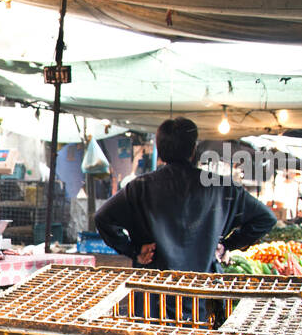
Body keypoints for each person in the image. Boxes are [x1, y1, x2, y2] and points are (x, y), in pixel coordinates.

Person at [94, 117, 277, 274]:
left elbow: (103, 218)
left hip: (154, 292)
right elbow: (266, 218)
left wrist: (134, 250)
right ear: (193, 149)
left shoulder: (139, 188)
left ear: (160, 150)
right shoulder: (221, 187)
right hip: (202, 292)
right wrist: (227, 245)